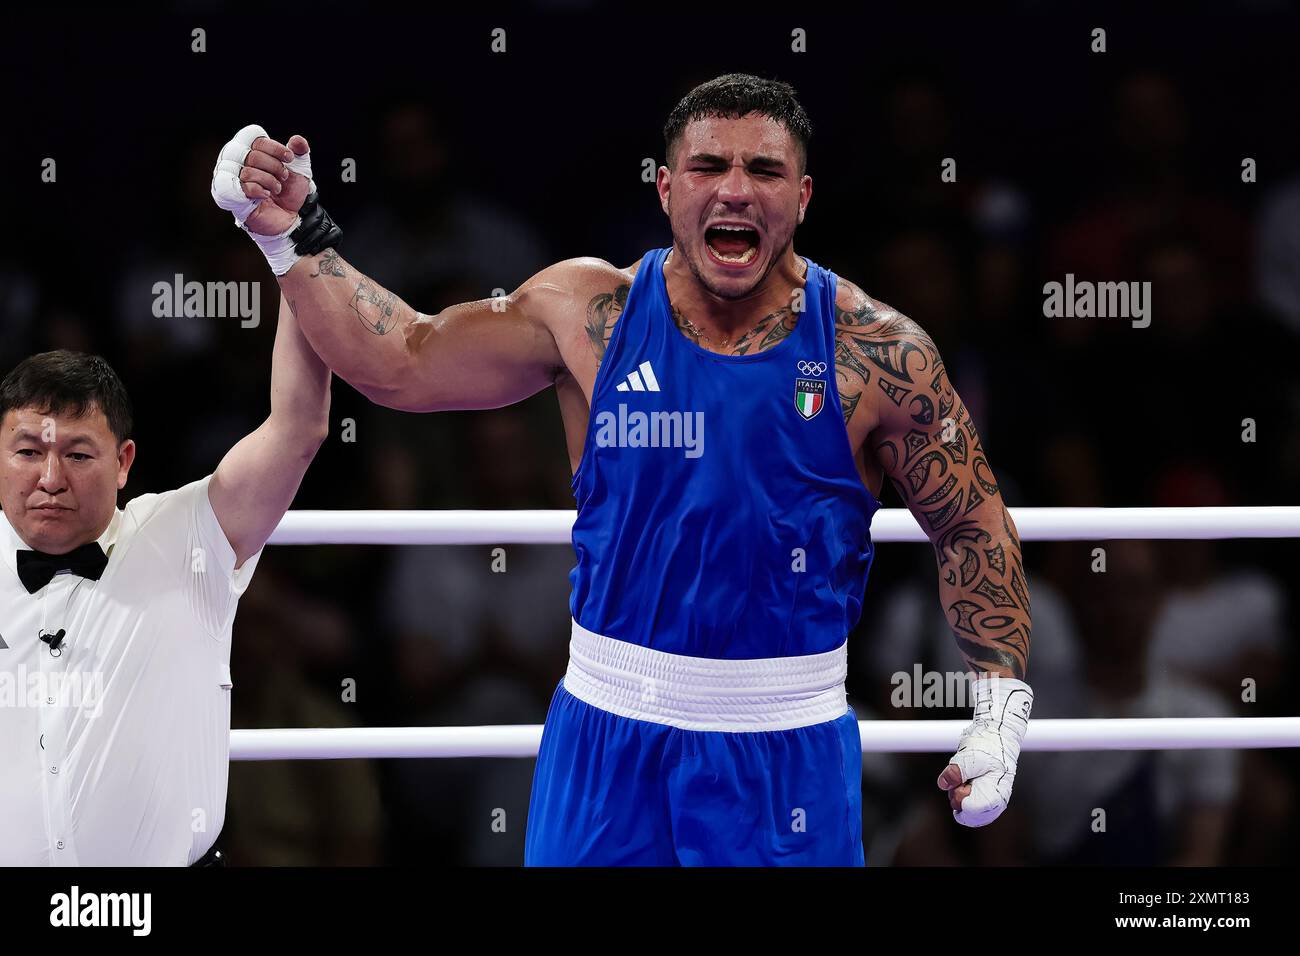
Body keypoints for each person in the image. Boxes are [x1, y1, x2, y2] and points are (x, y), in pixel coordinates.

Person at [211, 73, 1034, 865]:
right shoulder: (587, 313)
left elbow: (970, 525)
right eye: (709, 166)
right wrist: (292, 231)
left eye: (764, 170)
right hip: (608, 735)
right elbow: (404, 358)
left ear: (804, 196)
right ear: (666, 188)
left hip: (790, 746)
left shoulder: (878, 351)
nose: (736, 190)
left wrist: (1000, 713)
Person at [0, 298, 330, 866]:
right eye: (28, 452)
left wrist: (293, 247)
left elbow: (298, 428)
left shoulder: (184, 537)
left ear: (124, 462)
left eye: (78, 455)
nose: (49, 479)